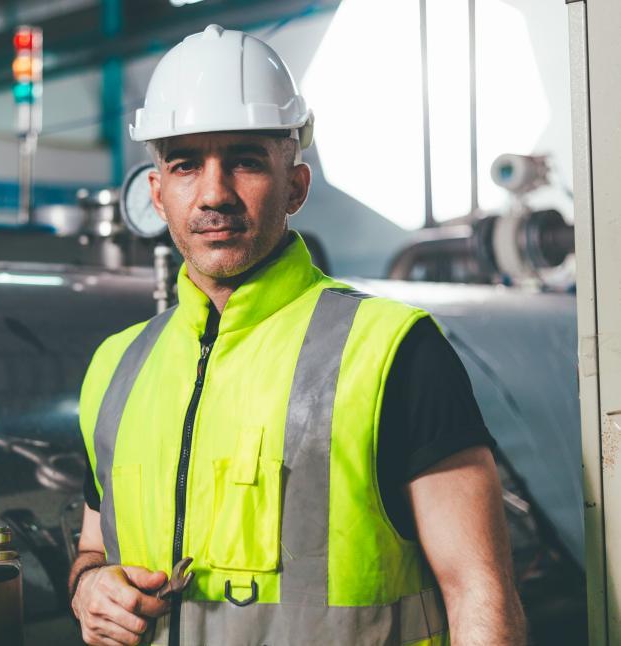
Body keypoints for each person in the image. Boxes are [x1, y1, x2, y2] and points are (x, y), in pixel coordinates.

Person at [68, 24, 525, 646]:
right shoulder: (115, 366)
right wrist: (89, 587)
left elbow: (480, 593)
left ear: (296, 187)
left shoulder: (391, 351)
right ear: (157, 192)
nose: (213, 193)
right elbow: (93, 549)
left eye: (246, 160)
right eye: (185, 165)